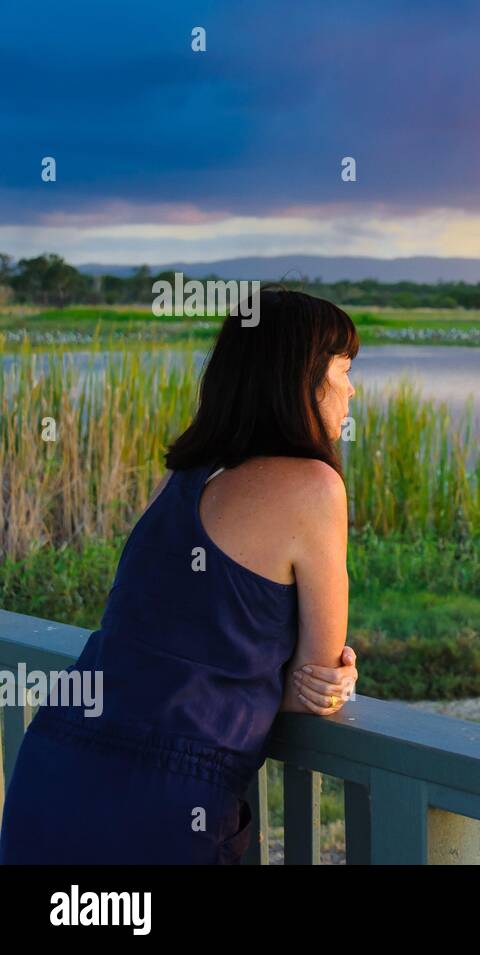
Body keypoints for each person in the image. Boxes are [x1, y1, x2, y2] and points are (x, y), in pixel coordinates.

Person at [0, 289, 361, 864]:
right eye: (344, 370)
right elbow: (307, 686)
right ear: (303, 378)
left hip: (57, 761)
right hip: (163, 799)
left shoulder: (183, 480)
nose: (351, 391)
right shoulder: (315, 487)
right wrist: (328, 681)